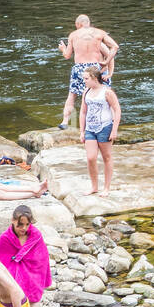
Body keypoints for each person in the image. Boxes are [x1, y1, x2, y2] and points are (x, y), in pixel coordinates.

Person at [58, 14, 119, 129]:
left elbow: (67, 55)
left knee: (72, 95)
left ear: (77, 24)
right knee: (107, 93)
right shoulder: (99, 33)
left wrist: (63, 49)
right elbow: (114, 47)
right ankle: (112, 119)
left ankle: (65, 121)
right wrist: (107, 66)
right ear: (89, 23)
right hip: (95, 67)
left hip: (79, 68)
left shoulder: (73, 35)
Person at [79, 65, 121, 196]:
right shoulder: (86, 92)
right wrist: (82, 131)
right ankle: (94, 187)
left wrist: (114, 130)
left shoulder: (107, 92)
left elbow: (117, 109)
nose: (84, 81)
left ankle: (106, 188)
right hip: (90, 129)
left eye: (86, 78)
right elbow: (83, 112)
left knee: (106, 157)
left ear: (94, 78)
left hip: (105, 127)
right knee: (91, 158)